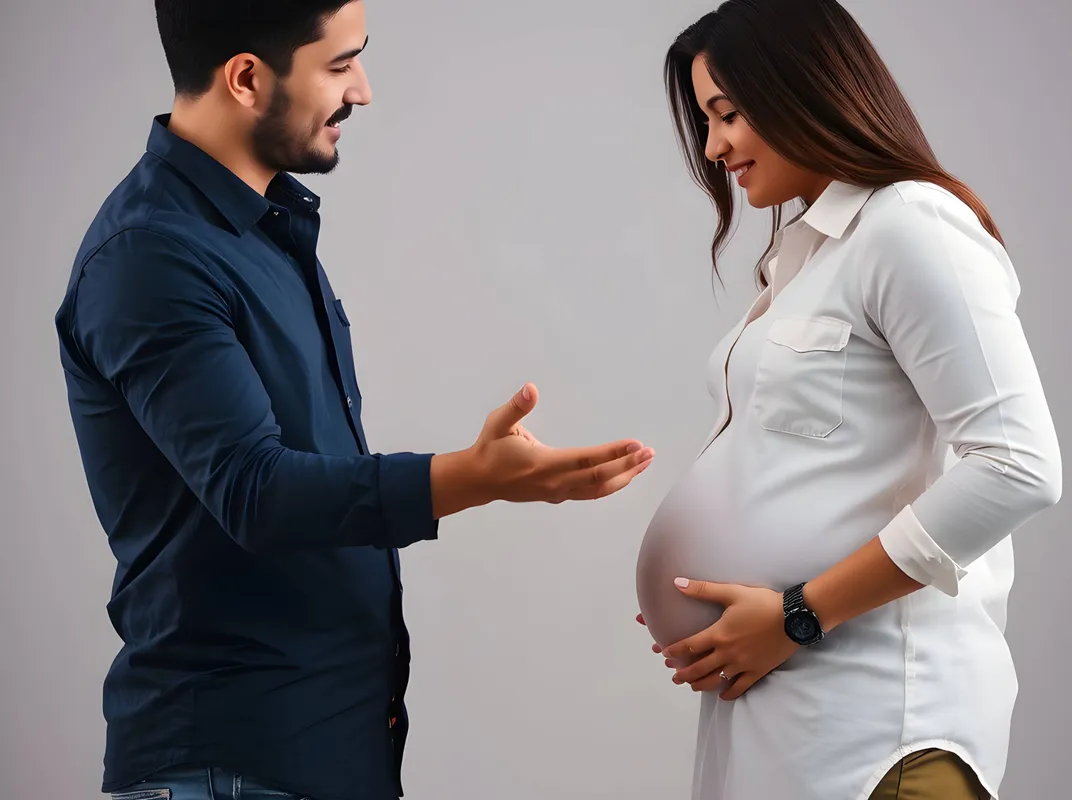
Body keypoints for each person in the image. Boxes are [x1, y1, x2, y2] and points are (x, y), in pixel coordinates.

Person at [54, 2, 654, 799]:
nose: (362, 90)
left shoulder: (261, 231)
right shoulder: (152, 257)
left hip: (318, 755)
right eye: (339, 65)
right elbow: (256, 491)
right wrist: (477, 477)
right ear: (245, 78)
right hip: (229, 767)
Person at [633, 1, 1062, 799]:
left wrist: (798, 614)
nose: (714, 146)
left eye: (727, 114)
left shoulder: (912, 225)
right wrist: (702, 594)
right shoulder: (808, 259)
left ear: (803, 89)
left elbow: (1017, 465)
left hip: (882, 731)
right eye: (705, 121)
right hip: (782, 718)